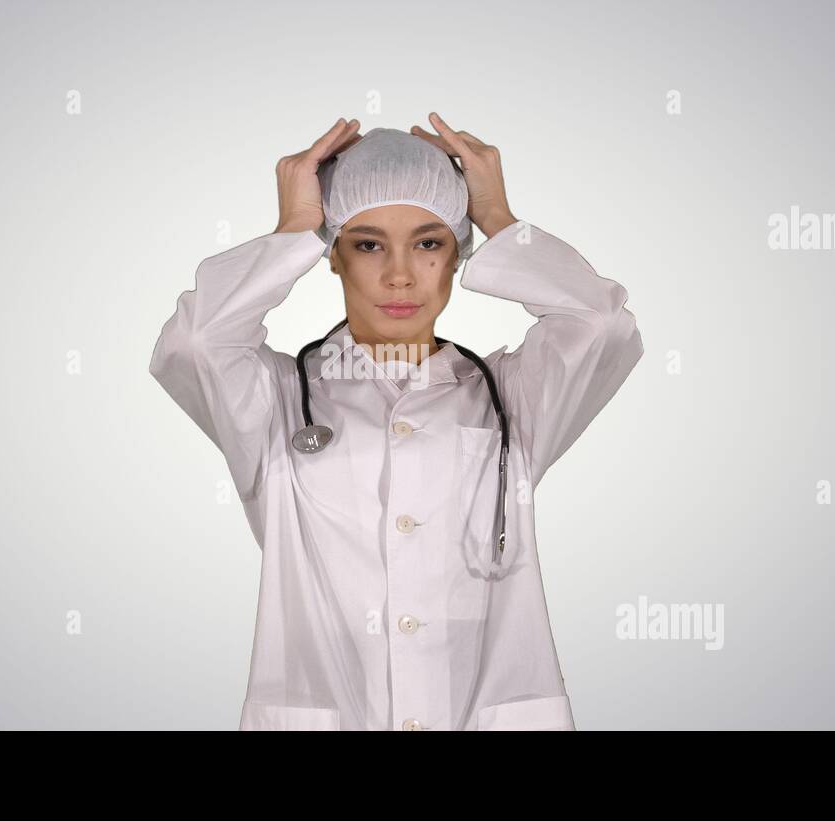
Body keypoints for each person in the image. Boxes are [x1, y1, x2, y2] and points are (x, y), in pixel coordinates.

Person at [149, 113, 644, 730]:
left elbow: (603, 327)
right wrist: (293, 231)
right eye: (368, 243)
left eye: (430, 242)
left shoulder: (508, 399)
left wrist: (499, 219)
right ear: (333, 256)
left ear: (458, 254)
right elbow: (193, 345)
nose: (401, 273)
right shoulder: (274, 399)